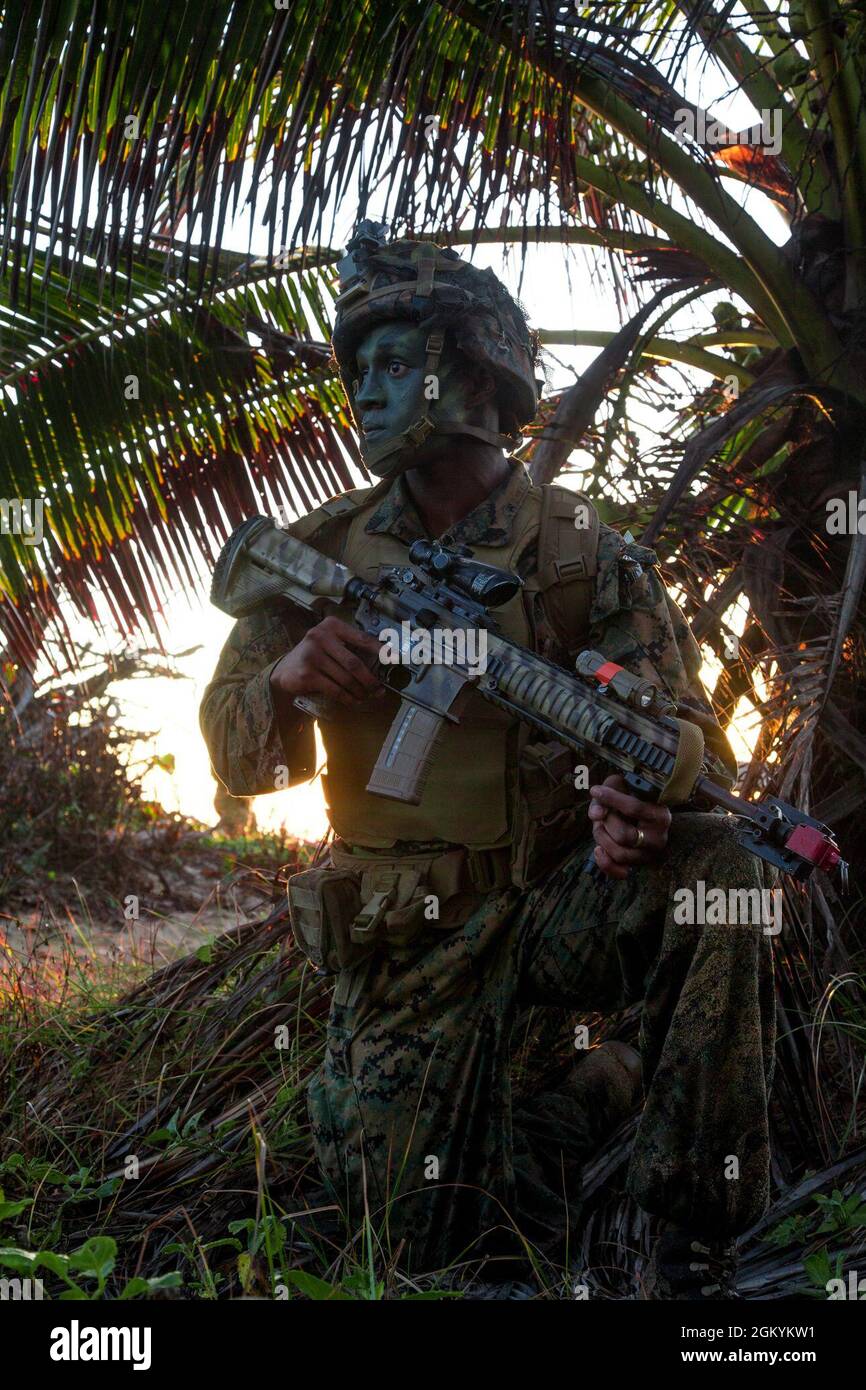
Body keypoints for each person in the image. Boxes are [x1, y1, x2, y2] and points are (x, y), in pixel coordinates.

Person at [200, 223, 776, 1298]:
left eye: (391, 361)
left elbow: (693, 738)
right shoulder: (319, 555)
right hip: (405, 938)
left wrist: (635, 812)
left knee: (722, 874)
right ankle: (585, 1085)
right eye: (354, 367)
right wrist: (285, 683)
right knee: (417, 1240)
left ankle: (690, 1233)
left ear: (470, 368)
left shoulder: (577, 555)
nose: (363, 392)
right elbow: (234, 759)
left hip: (560, 904)